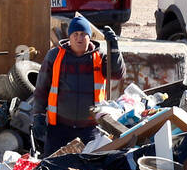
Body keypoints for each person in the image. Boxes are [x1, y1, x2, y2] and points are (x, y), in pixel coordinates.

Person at [30, 14, 124, 156]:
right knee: (52, 167)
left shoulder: (100, 57)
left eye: (83, 34)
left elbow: (117, 74)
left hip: (90, 129)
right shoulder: (54, 56)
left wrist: (115, 50)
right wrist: (38, 115)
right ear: (69, 36)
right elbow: (41, 89)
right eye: (75, 34)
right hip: (59, 128)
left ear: (89, 37)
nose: (79, 38)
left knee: (87, 169)